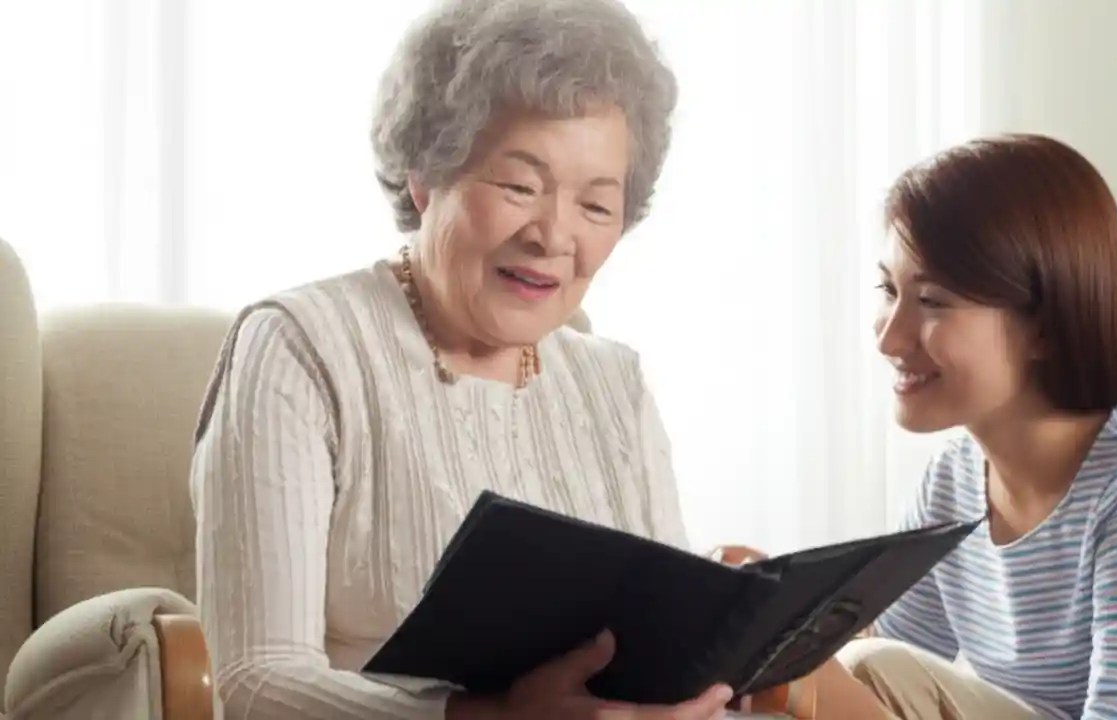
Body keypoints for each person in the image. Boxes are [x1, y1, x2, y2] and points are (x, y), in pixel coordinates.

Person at [189, 1, 735, 718]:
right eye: (520, 185)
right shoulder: (300, 345)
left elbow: (666, 644)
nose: (553, 235)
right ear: (425, 175)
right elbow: (251, 683)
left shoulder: (614, 383)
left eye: (596, 207)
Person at [809, 134, 1117, 718]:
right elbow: (872, 672)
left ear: (1043, 327)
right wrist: (764, 616)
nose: (888, 337)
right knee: (860, 666)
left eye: (931, 301)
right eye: (889, 290)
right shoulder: (953, 484)